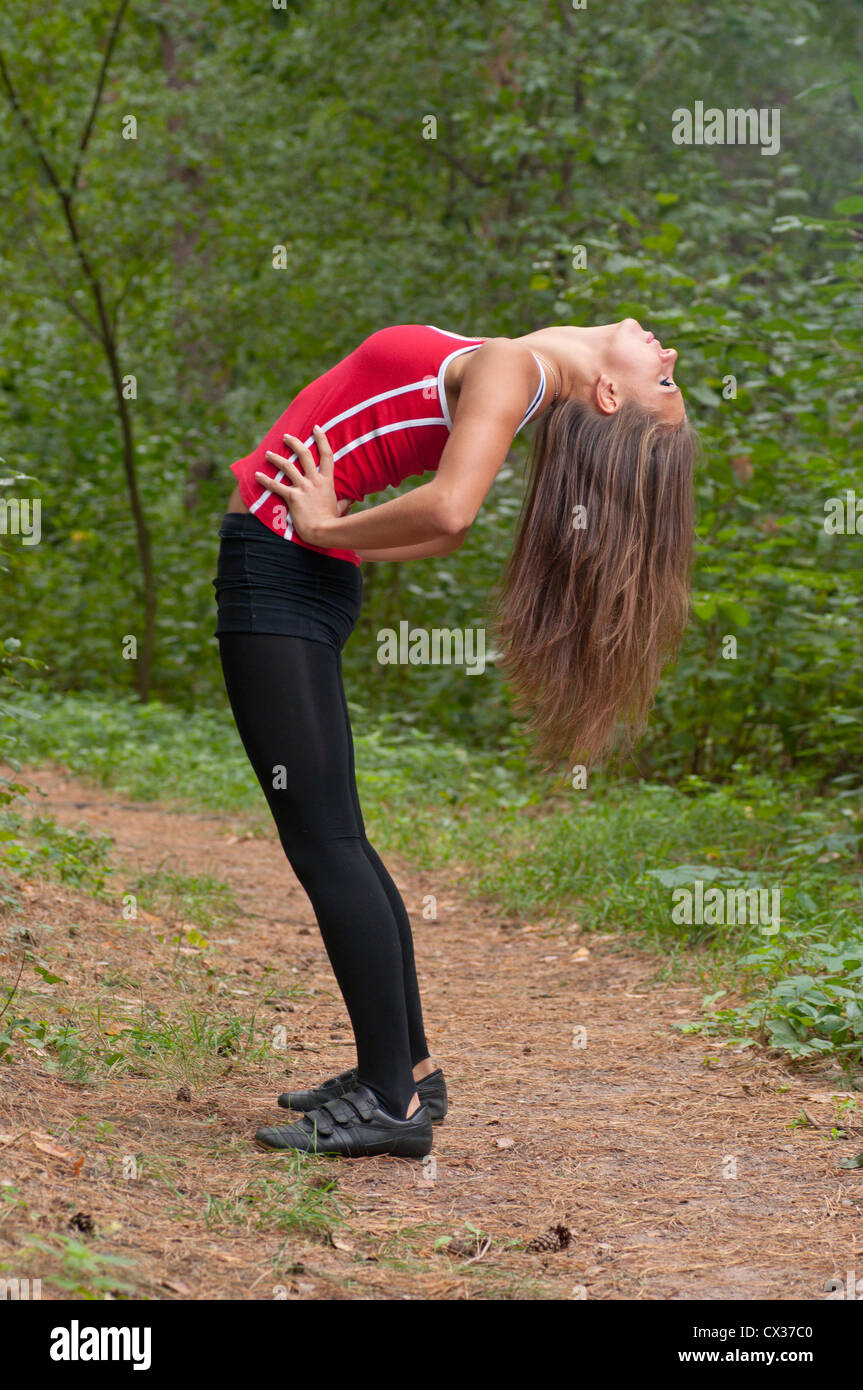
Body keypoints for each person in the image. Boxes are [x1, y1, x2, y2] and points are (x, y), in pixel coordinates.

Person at [213, 320, 697, 1159]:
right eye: (670, 377)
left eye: (663, 383)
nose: (672, 357)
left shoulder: (513, 367)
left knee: (326, 846)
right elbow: (447, 529)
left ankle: (389, 1104)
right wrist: (325, 534)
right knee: (338, 842)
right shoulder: (519, 368)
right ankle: (408, 1071)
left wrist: (323, 530)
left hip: (281, 571)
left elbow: (448, 509)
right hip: (295, 572)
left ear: (611, 395)